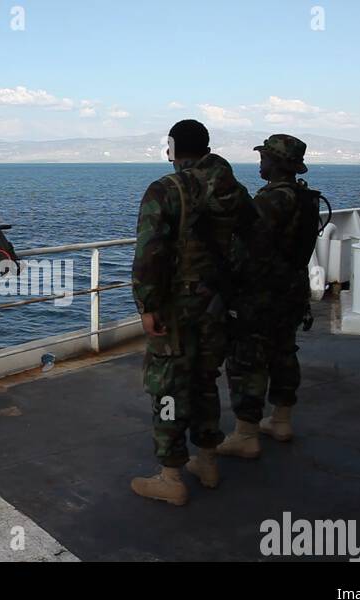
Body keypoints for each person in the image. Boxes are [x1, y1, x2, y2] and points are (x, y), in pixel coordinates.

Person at [130, 119, 255, 505]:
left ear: (172, 148)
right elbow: (253, 239)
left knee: (168, 387)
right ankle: (208, 461)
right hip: (216, 304)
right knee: (204, 380)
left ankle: (171, 476)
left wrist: (148, 304)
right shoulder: (233, 191)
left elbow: (149, 253)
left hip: (177, 309)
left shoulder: (166, 190)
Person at [219, 134, 311, 459]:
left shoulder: (272, 200)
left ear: (276, 163)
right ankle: (281, 421)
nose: (261, 163)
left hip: (261, 294)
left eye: (264, 158)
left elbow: (246, 244)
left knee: (248, 359)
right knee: (284, 352)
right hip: (292, 290)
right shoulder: (303, 197)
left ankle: (246, 434)